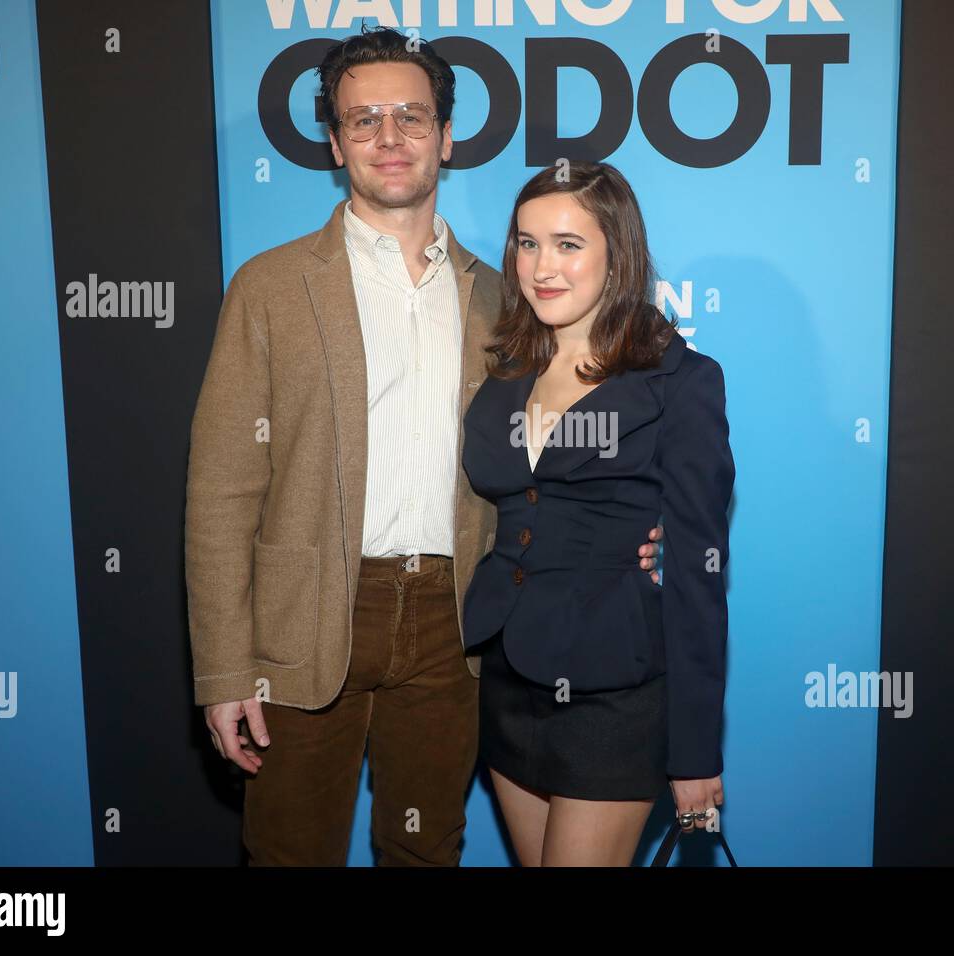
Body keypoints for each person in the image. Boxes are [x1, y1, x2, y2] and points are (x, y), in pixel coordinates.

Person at [184, 26, 664, 866]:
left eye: (411, 116)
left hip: (455, 623)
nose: (388, 137)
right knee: (288, 852)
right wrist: (223, 669)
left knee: (425, 851)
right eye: (362, 119)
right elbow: (222, 491)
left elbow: (560, 457)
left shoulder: (504, 300)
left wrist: (644, 538)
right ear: (335, 143)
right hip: (305, 619)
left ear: (445, 136)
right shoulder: (269, 286)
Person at [460, 161, 736, 866]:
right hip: (509, 677)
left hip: (615, 691)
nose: (541, 267)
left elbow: (700, 575)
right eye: (526, 243)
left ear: (618, 254)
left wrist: (695, 753)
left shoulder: (680, 381)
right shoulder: (505, 370)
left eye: (567, 244)